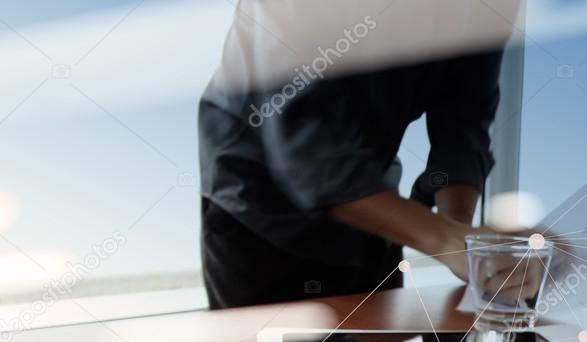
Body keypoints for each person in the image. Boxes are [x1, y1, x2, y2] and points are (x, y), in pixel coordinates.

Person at [198, 15, 504, 309]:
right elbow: (312, 154)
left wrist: (463, 238)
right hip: (257, 204)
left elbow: (464, 127)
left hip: (373, 198)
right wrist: (444, 238)